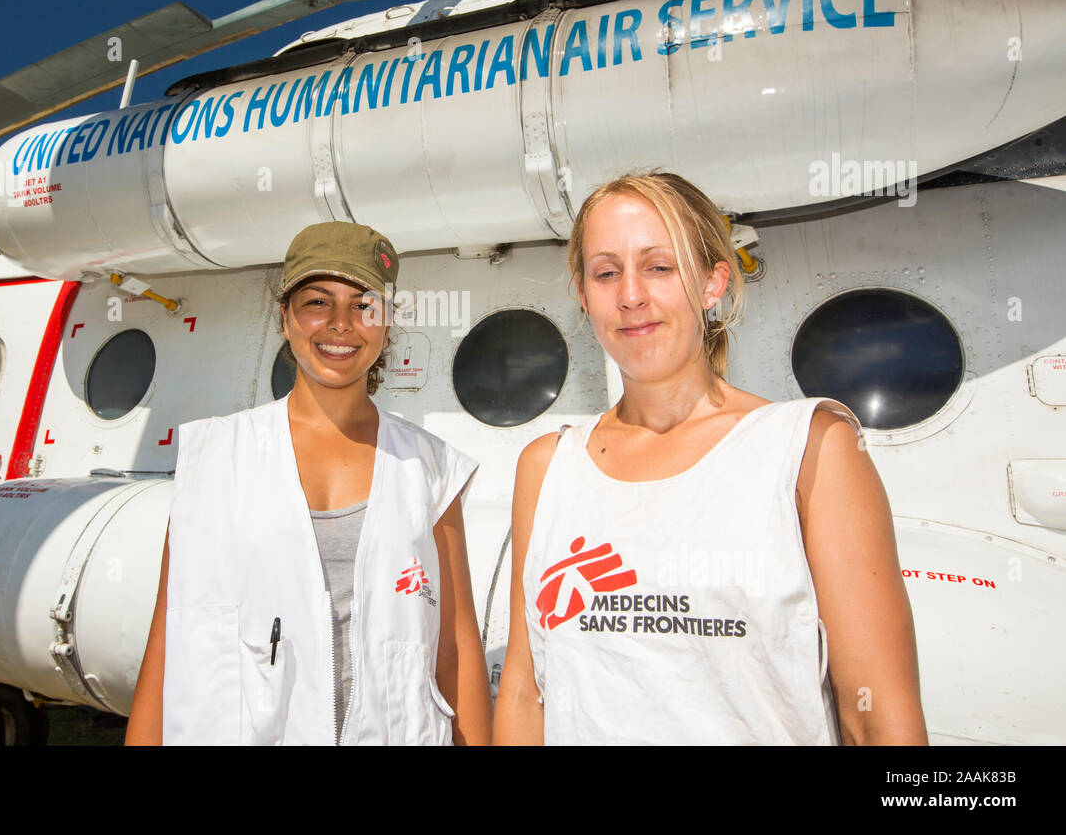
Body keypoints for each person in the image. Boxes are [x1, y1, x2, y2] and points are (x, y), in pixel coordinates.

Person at [493, 172, 927, 745]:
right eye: (605, 273)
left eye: (659, 266)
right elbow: (525, 694)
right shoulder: (547, 468)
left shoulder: (808, 448)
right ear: (583, 295)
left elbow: (876, 718)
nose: (630, 296)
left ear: (712, 281)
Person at [126, 221, 491, 745]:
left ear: (387, 323)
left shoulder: (430, 469)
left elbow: (455, 651)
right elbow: (167, 644)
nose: (341, 324)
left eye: (364, 304)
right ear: (285, 317)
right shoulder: (215, 459)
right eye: (317, 302)